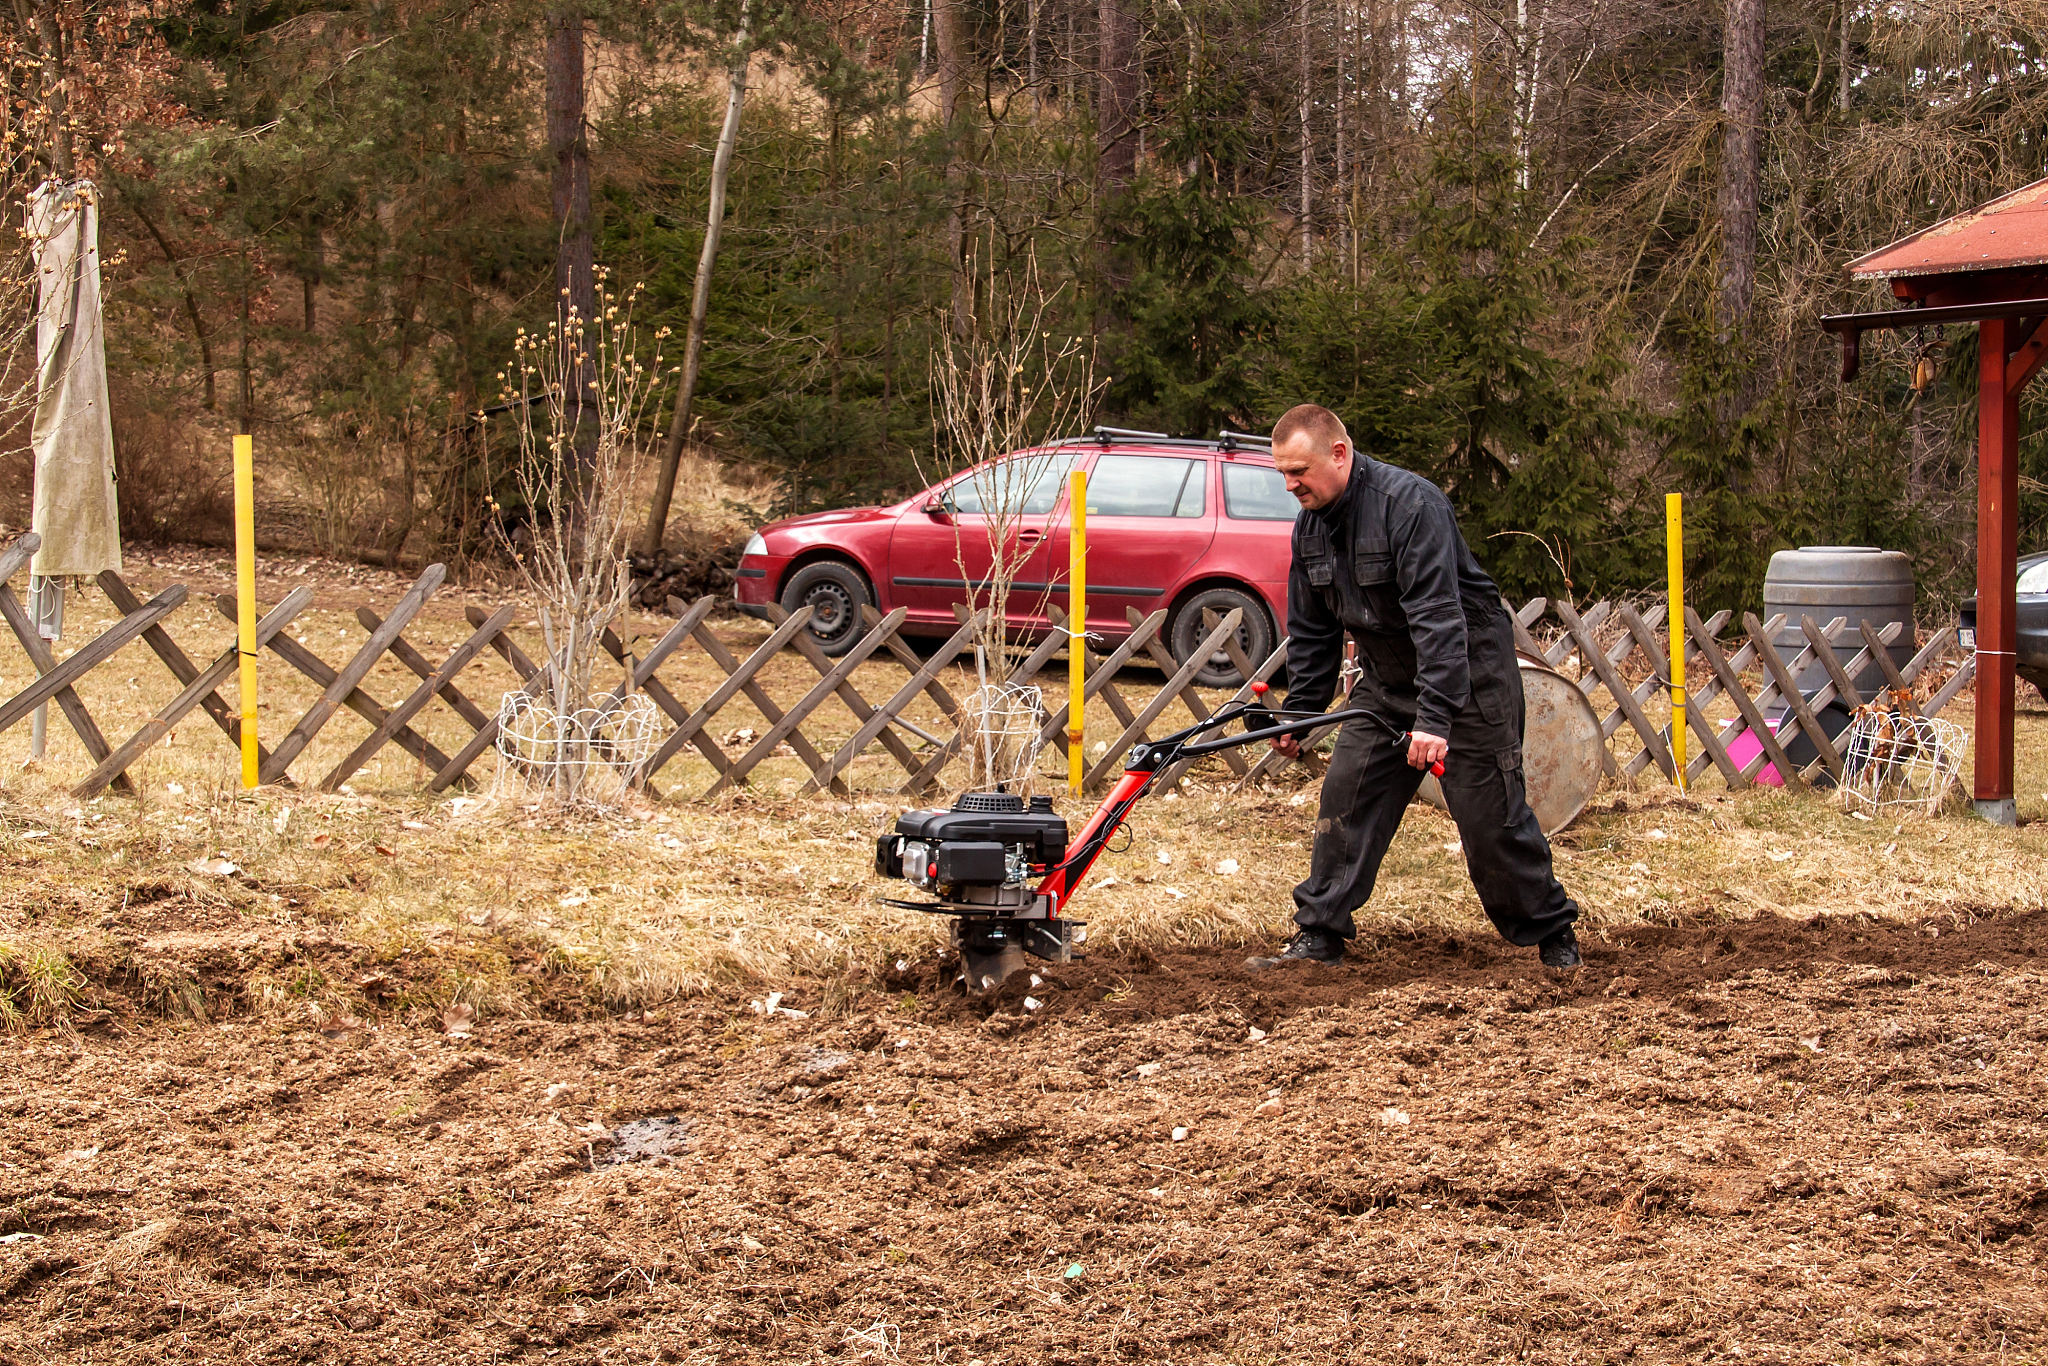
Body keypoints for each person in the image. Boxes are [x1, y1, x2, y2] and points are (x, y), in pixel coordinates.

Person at [1248, 403, 1584, 971]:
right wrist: (1299, 717)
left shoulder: (1410, 506)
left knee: (1488, 818)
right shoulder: (1310, 530)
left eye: (1298, 470)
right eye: (1282, 472)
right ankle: (1320, 936)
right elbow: (1312, 631)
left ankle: (1551, 933)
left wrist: (1434, 718)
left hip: (1468, 680)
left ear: (1339, 453)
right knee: (1347, 800)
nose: (1290, 484)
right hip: (1385, 683)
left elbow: (1438, 616)